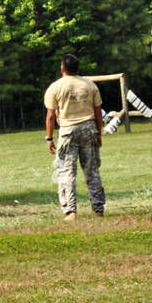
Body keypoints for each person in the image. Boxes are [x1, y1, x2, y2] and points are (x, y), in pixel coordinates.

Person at [44, 54, 105, 221]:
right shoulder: (90, 85)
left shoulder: (55, 87)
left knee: (66, 172)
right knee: (92, 171)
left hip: (67, 131)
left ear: (62, 68)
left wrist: (49, 139)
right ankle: (98, 209)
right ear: (78, 68)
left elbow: (50, 116)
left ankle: (70, 211)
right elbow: (98, 112)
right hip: (89, 129)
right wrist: (98, 133)